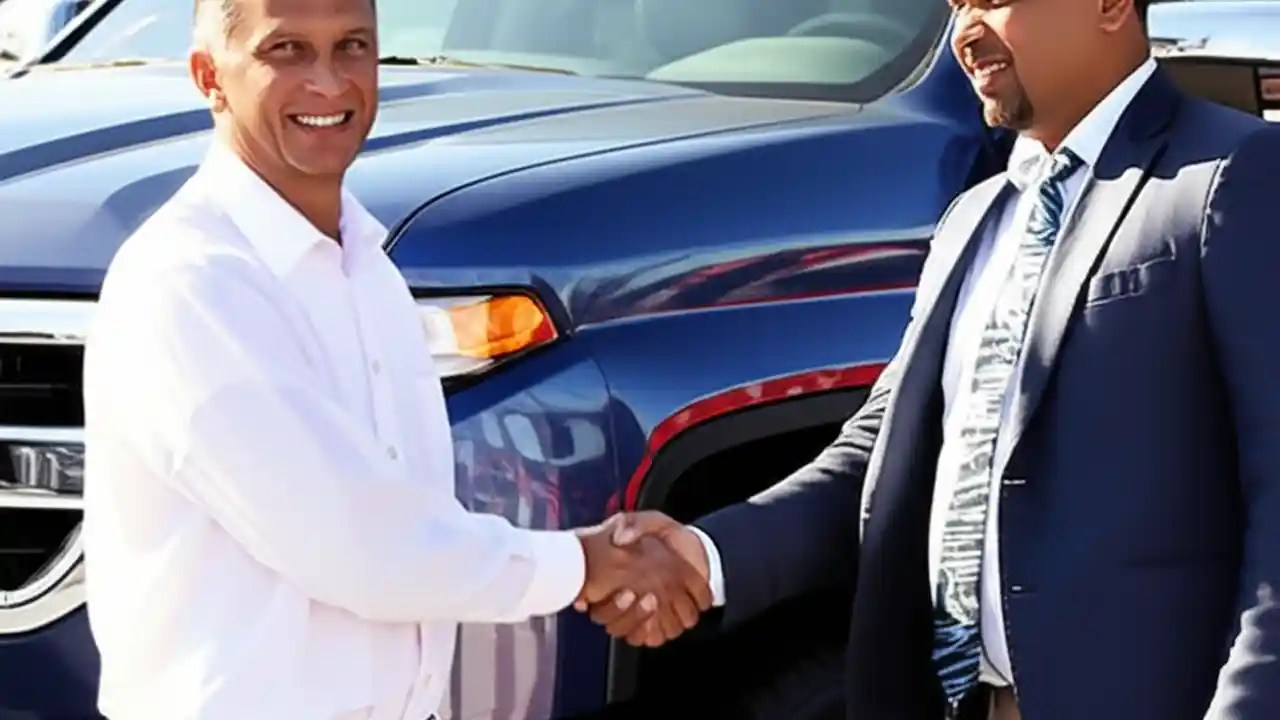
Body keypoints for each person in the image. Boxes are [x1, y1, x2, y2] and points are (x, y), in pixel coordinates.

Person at [588, 0, 1280, 718]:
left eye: (993, 2)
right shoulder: (974, 218)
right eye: (956, 6)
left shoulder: (1234, 175)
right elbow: (879, 458)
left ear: (1109, 6)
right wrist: (704, 556)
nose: (965, 33)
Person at [80, 0, 708, 718]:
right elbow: (357, 544)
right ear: (208, 75)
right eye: (286, 50)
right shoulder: (193, 281)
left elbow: (402, 530)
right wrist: (589, 564)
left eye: (352, 46)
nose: (328, 82)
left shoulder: (367, 269)